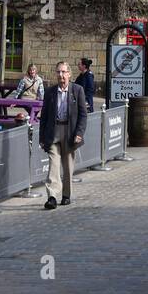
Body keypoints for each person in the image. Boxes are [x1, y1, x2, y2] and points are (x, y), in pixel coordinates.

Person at [39, 61, 88, 209]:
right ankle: (52, 196)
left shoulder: (77, 90)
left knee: (67, 166)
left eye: (63, 72)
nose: (60, 75)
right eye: (58, 72)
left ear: (69, 74)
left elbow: (83, 115)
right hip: (54, 132)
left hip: (70, 131)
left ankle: (66, 195)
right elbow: (45, 116)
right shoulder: (50, 92)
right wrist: (42, 138)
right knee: (53, 166)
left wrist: (79, 133)